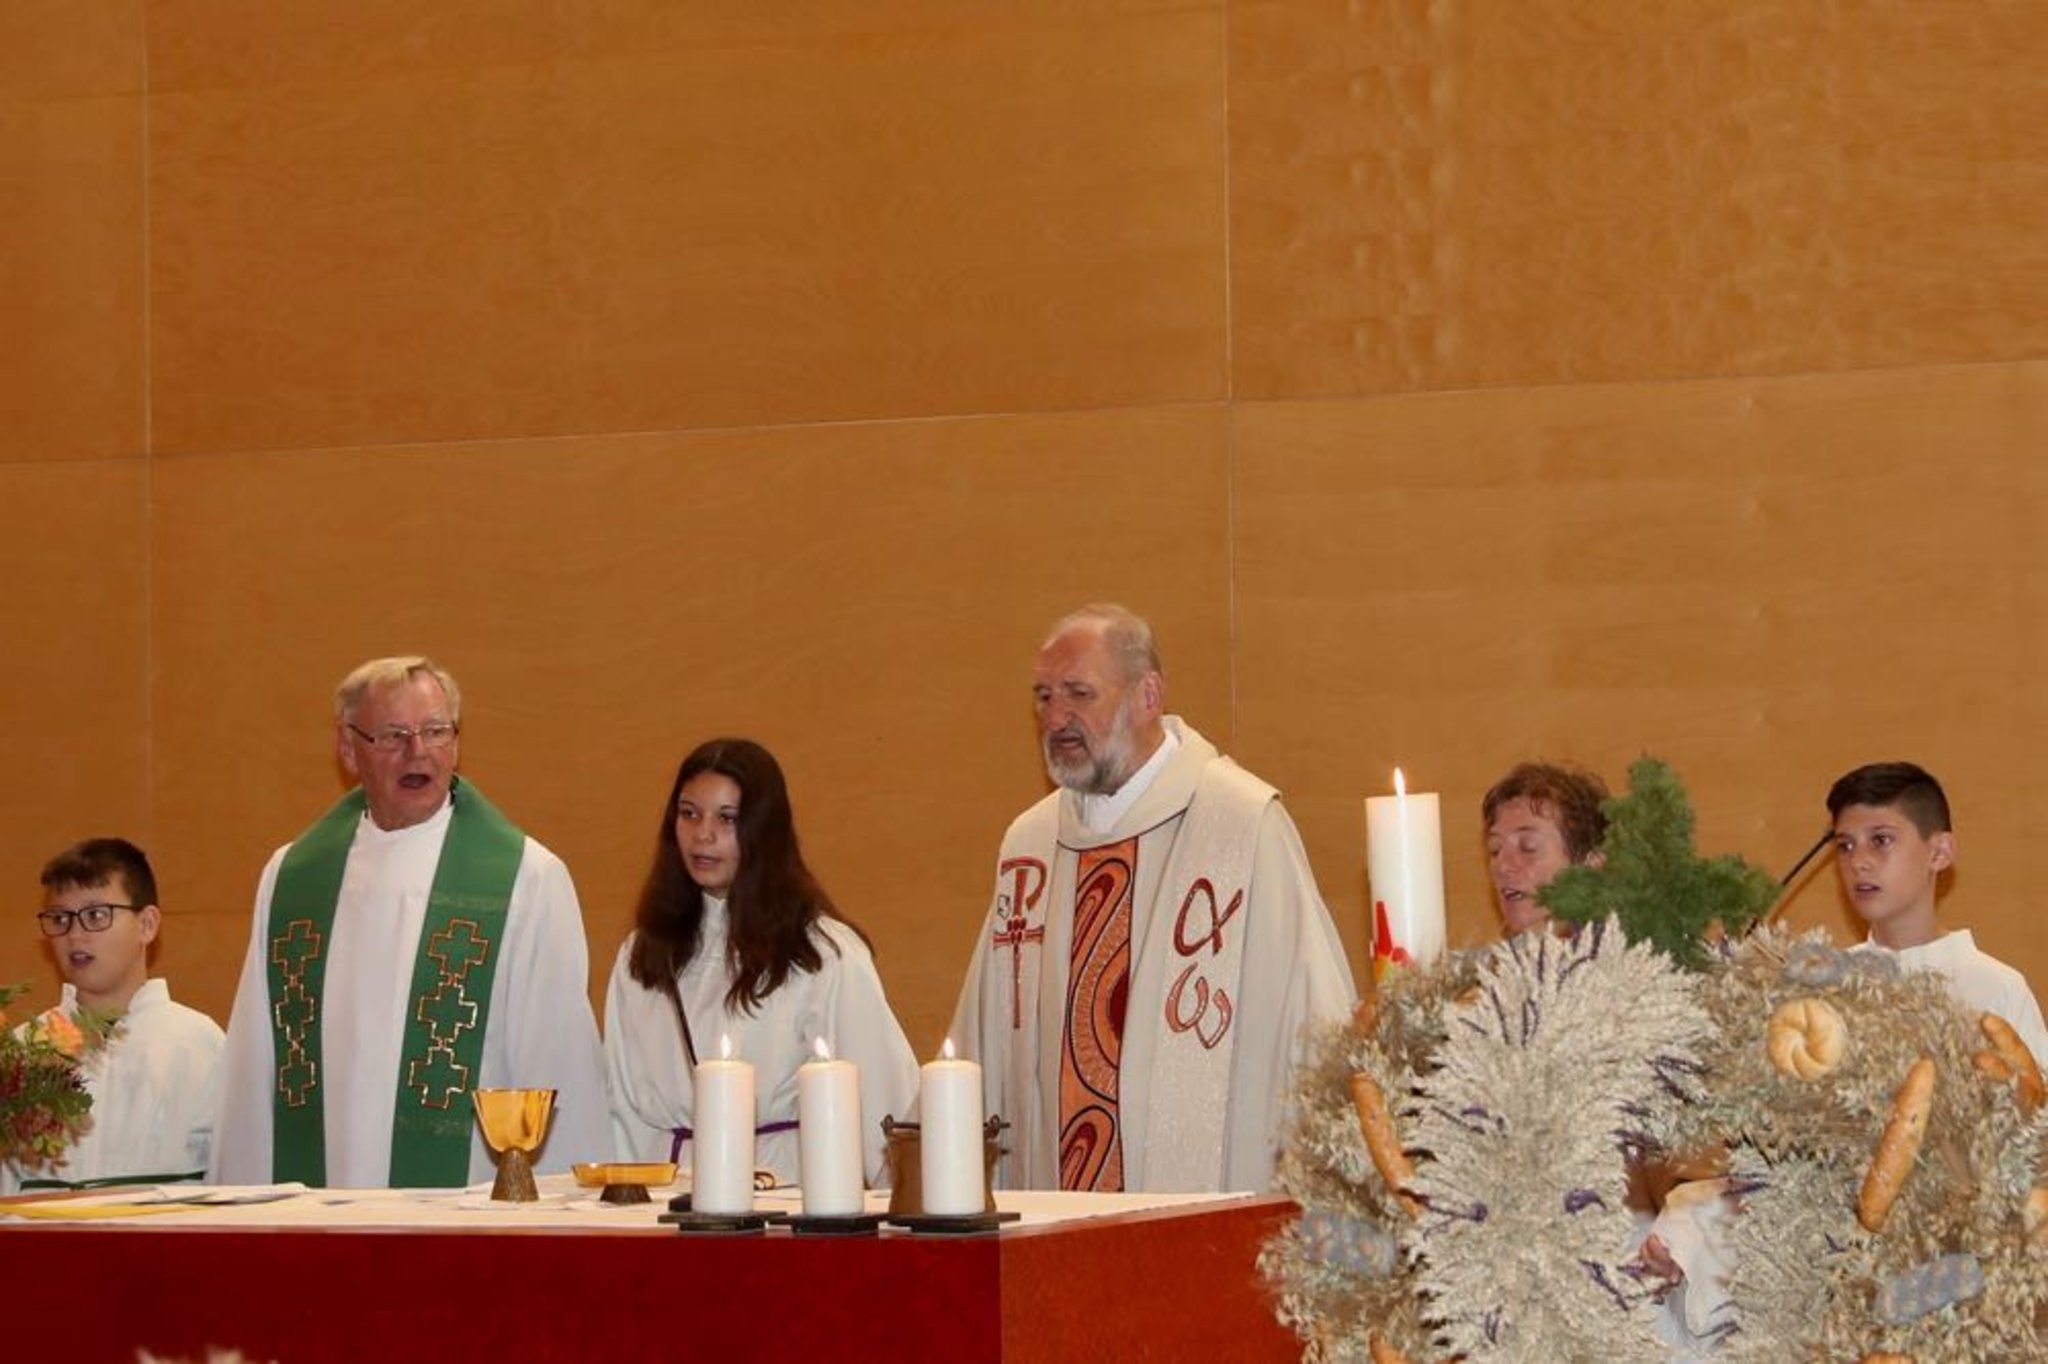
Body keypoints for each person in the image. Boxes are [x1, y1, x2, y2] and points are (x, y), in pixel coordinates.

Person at [949, 604, 1356, 1194]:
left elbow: (1313, 1024)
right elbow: (978, 1047)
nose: (1055, 716)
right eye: (1042, 696)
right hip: (1049, 1237)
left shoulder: (1240, 826)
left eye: (1078, 693)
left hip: (1199, 1236)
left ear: (1148, 695)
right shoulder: (1030, 847)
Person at [211, 656, 607, 1187]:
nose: (419, 752)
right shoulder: (292, 879)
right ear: (348, 749)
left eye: (436, 731)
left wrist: (562, 1225)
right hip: (321, 1210)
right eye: (394, 735)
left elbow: (560, 1067)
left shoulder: (525, 878)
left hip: (466, 1214)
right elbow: (254, 1065)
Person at [605, 739, 918, 1187]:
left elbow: (884, 1105)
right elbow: (621, 1113)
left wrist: (904, 1217)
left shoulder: (822, 954)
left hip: (781, 1197)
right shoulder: (642, 956)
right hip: (667, 1204)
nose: (702, 834)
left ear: (762, 831)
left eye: (726, 819)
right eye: (689, 813)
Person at [0, 839, 223, 1195]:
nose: (74, 934)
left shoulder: (201, 1045)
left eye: (95, 915)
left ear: (147, 925)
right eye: (60, 918)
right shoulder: (22, 1051)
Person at [1831, 760, 2048, 1068]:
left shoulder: (1998, 990)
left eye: (1880, 840)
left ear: (1939, 852)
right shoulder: (1826, 987)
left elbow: (2037, 1109)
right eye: (1845, 846)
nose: (1858, 862)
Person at [1481, 761, 1610, 935]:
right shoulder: (1482, 961)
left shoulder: (1634, 960)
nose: (1502, 867)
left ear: (1592, 865)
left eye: (1528, 847)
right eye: (1495, 849)